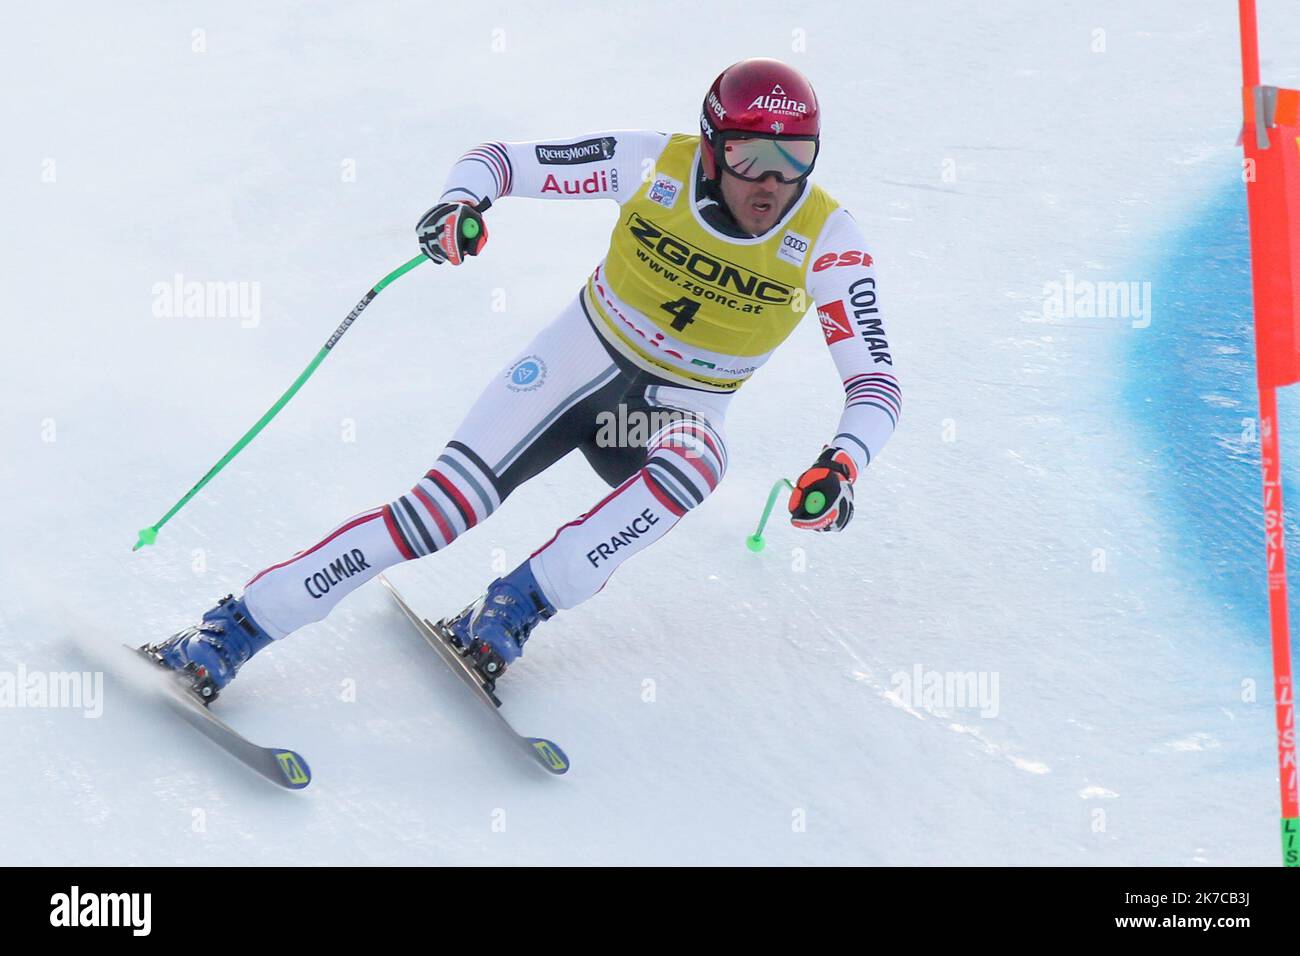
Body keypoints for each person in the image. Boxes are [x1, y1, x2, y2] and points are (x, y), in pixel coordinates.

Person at [144, 57, 901, 701]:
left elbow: (874, 383)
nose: (772, 183)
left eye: (796, 160)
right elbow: (500, 162)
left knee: (699, 463)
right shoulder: (650, 164)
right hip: (577, 366)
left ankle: (510, 610)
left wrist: (844, 464)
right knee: (438, 515)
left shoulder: (827, 239)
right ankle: (232, 629)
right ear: (710, 148)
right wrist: (458, 204)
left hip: (669, 411)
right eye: (749, 159)